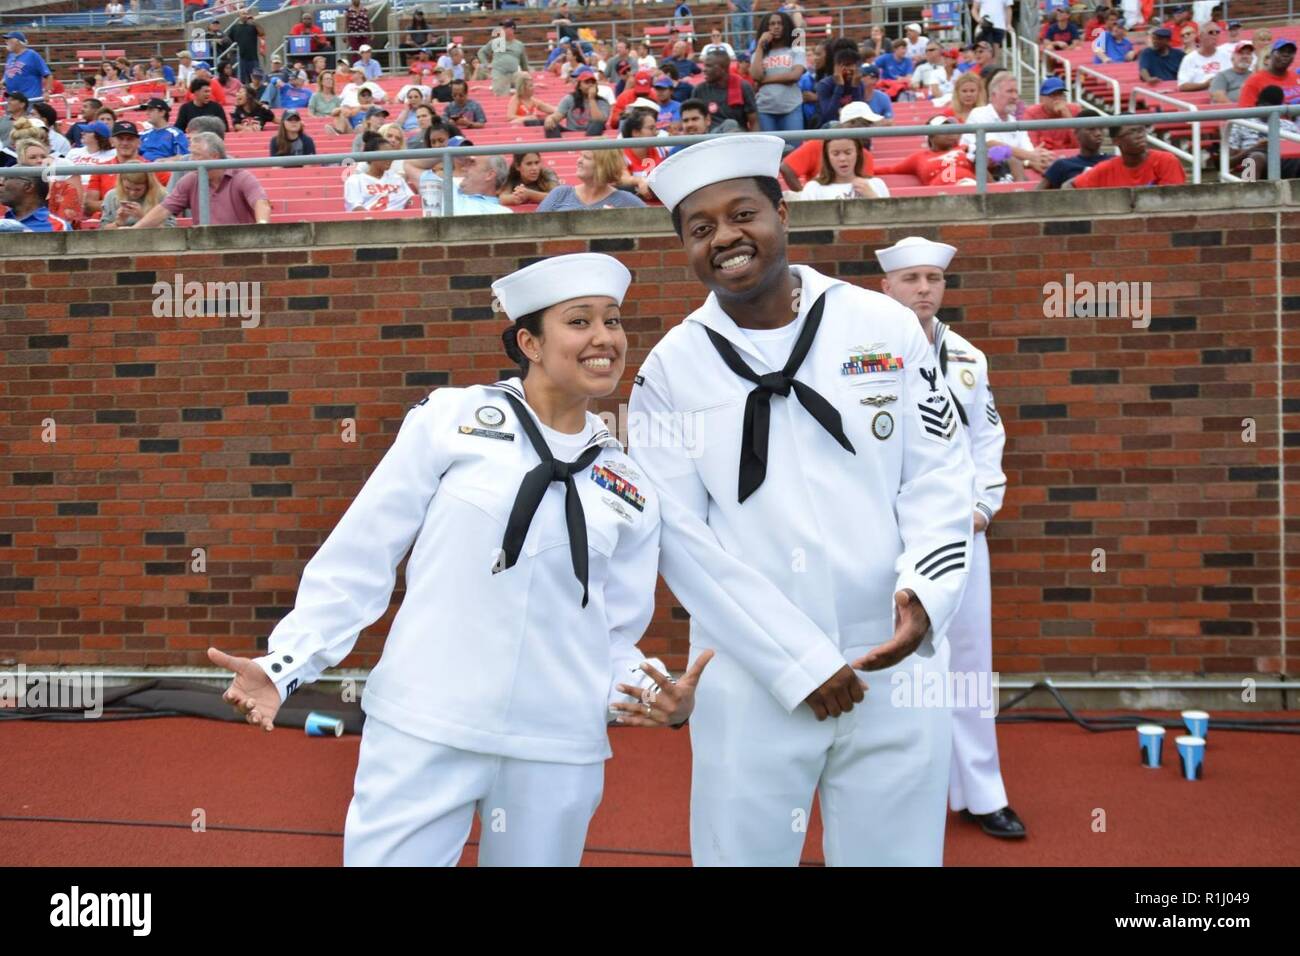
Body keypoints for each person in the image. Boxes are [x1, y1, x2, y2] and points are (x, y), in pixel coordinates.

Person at [209, 253, 701, 866]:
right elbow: (363, 552)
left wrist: (646, 691)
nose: (604, 338)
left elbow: (611, 634)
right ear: (530, 341)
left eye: (614, 321)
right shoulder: (451, 420)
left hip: (556, 746)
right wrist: (287, 663)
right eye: (579, 322)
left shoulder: (628, 483)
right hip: (425, 722)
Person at [636, 134, 974, 866]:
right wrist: (795, 662)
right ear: (687, 249)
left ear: (782, 213)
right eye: (700, 229)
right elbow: (680, 538)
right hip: (752, 674)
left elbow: (941, 473)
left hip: (894, 656)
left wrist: (928, 595)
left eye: (742, 213)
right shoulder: (669, 370)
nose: (725, 237)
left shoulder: (880, 325)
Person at [875, 235, 1019, 839]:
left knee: (968, 663)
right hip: (887, 537)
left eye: (933, 278)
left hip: (960, 532)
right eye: (910, 279)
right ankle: (900, 793)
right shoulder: (867, 355)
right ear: (886, 287)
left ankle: (981, 790)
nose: (924, 289)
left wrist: (985, 507)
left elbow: (987, 439)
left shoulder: (967, 357)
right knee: (893, 665)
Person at [134, 131, 271, 226]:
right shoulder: (190, 180)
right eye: (191, 154)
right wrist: (135, 229)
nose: (191, 160)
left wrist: (262, 226)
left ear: (215, 156)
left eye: (197, 155)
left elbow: (261, 202)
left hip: (240, 246)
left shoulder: (241, 176)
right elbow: (164, 209)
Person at [962, 72, 1054, 179]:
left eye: (1016, 92)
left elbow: (1027, 153)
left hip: (1008, 176)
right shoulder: (979, 113)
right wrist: (1031, 157)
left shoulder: (1016, 122)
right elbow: (993, 145)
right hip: (979, 178)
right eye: (1010, 91)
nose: (1015, 97)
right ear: (993, 95)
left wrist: (1033, 159)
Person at [1063, 123, 1186, 188]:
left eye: (1141, 130)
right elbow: (1069, 186)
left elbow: (1176, 201)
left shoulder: (1166, 161)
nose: (1139, 135)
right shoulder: (1106, 168)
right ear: (1116, 141)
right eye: (1132, 132)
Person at [876, 114, 978, 186]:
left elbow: (987, 170)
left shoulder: (966, 148)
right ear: (931, 135)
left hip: (970, 188)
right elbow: (890, 170)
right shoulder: (919, 158)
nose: (951, 133)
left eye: (952, 129)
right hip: (939, 195)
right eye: (944, 130)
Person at [786, 132, 888, 199]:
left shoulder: (876, 184)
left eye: (848, 153)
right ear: (827, 156)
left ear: (858, 154)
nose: (842, 159)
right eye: (835, 154)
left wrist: (872, 197)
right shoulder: (814, 188)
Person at [536, 149, 645, 211]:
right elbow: (536, 226)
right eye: (580, 156)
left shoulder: (626, 200)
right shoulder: (560, 193)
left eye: (586, 158)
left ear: (603, 166)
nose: (579, 161)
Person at [750, 11, 806, 133]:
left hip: (791, 108)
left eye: (780, 23)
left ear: (786, 26)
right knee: (771, 151)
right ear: (766, 28)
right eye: (772, 24)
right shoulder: (758, 54)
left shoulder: (796, 50)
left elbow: (795, 75)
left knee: (794, 150)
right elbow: (755, 75)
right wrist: (760, 46)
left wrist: (764, 80)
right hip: (765, 110)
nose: (776, 26)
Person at [345, 131, 414, 211]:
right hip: (369, 221)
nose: (389, 159)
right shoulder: (355, 180)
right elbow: (356, 208)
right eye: (385, 154)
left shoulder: (398, 179)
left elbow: (411, 201)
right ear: (371, 155)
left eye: (391, 155)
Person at [695, 50, 758, 131]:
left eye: (709, 66)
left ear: (723, 68)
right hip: (711, 139)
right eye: (704, 66)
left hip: (737, 138)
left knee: (730, 124)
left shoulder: (743, 87)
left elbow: (754, 121)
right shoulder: (699, 90)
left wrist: (754, 142)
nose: (704, 70)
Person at [1037, 124, 1108, 188]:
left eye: (1101, 128)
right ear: (1076, 133)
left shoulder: (1113, 161)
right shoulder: (1062, 165)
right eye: (1091, 129)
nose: (1098, 133)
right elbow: (1034, 197)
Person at [544, 67, 610, 135]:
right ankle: (558, 144)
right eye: (587, 82)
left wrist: (592, 99)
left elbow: (599, 121)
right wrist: (550, 118)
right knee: (550, 126)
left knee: (597, 124)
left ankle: (587, 144)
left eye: (593, 83)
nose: (590, 85)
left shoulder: (602, 102)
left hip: (592, 133)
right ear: (579, 86)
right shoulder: (569, 99)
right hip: (572, 132)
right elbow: (558, 115)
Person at [1023, 77, 1082, 150]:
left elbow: (1081, 146)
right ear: (1041, 98)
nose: (1057, 99)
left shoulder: (1075, 110)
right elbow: (1033, 147)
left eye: (1060, 94)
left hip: (1071, 158)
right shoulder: (1032, 113)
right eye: (1052, 95)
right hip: (1044, 158)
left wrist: (1068, 117)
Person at [99, 170, 172, 228]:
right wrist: (118, 223)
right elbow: (103, 230)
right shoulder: (111, 196)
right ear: (121, 183)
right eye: (127, 188)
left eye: (138, 189)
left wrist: (143, 217)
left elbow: (170, 231)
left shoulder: (162, 196)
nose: (132, 193)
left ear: (148, 185)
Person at [1238, 40, 1299, 106]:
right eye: (1281, 51)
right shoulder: (1254, 81)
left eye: (1290, 52)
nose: (1285, 55)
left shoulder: (1296, 78)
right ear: (1271, 55)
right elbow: (1245, 111)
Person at [478, 19, 530, 97]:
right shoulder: (496, 42)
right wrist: (486, 64)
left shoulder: (519, 45)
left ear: (512, 29)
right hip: (499, 73)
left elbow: (524, 64)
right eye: (502, 28)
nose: (502, 30)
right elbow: (481, 52)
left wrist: (528, 78)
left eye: (505, 28)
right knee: (501, 93)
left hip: (514, 74)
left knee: (525, 78)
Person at [0, 171, 67, 230]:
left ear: (28, 186)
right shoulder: (2, 219)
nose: (1, 183)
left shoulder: (58, 225)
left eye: (7, 178)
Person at [1177, 21, 1231, 91]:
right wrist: (1205, 85)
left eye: (1217, 32)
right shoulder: (1189, 59)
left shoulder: (1227, 55)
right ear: (1200, 36)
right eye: (1210, 32)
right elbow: (1182, 86)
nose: (1214, 36)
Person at [3, 32, 52, 103]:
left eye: (8, 39)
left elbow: (48, 75)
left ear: (17, 41)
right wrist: (2, 82)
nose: (6, 42)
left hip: (30, 100)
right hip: (12, 101)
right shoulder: (10, 56)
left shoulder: (32, 55)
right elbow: (7, 75)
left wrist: (47, 92)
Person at [228, 7, 265, 84]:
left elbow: (262, 33)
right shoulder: (234, 28)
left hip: (252, 57)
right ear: (239, 16)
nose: (245, 15)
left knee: (255, 79)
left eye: (246, 13)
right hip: (240, 58)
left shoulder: (253, 26)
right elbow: (229, 41)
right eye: (243, 14)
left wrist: (254, 22)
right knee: (241, 80)